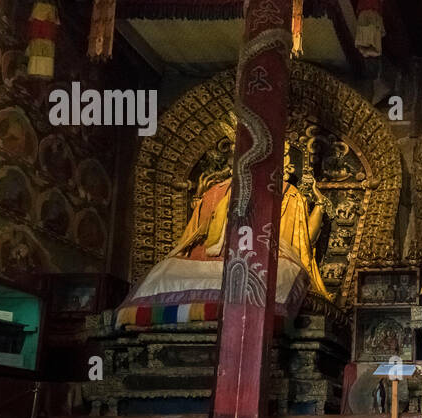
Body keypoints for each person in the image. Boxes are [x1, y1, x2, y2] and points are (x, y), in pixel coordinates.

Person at [118, 137, 331, 324]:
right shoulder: (215, 192)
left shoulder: (287, 194)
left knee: (280, 275)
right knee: (163, 272)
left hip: (263, 261)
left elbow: (295, 245)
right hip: (211, 263)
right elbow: (193, 240)